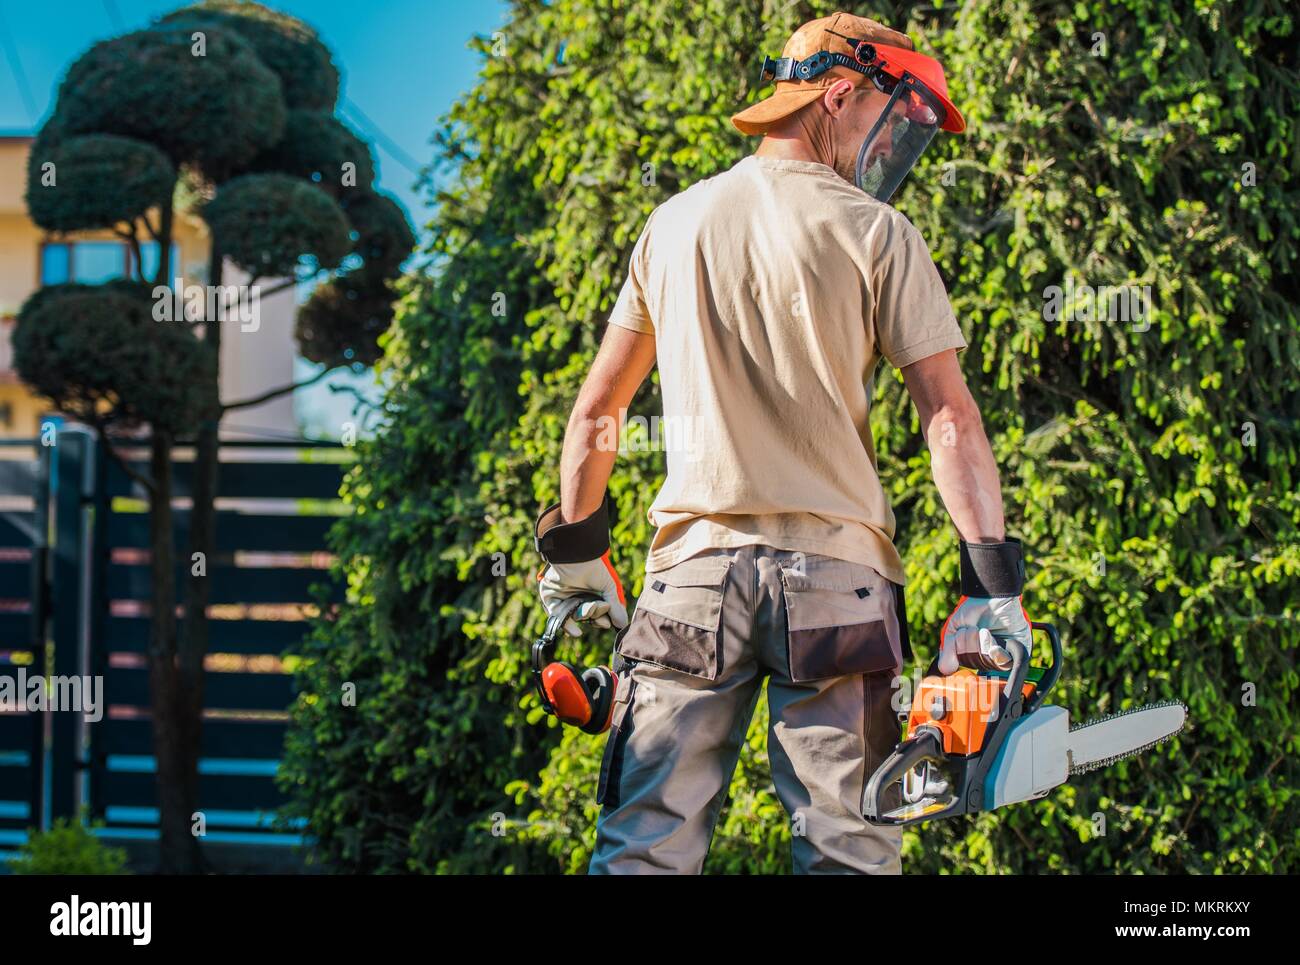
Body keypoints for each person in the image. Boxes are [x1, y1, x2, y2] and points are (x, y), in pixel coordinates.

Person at [533, 11, 1033, 875]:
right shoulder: (877, 234)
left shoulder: (673, 225)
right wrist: (990, 587)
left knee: (642, 846)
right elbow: (947, 417)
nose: (893, 145)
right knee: (849, 850)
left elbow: (595, 415)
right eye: (895, 116)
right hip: (838, 583)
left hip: (691, 579)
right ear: (839, 93)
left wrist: (578, 555)